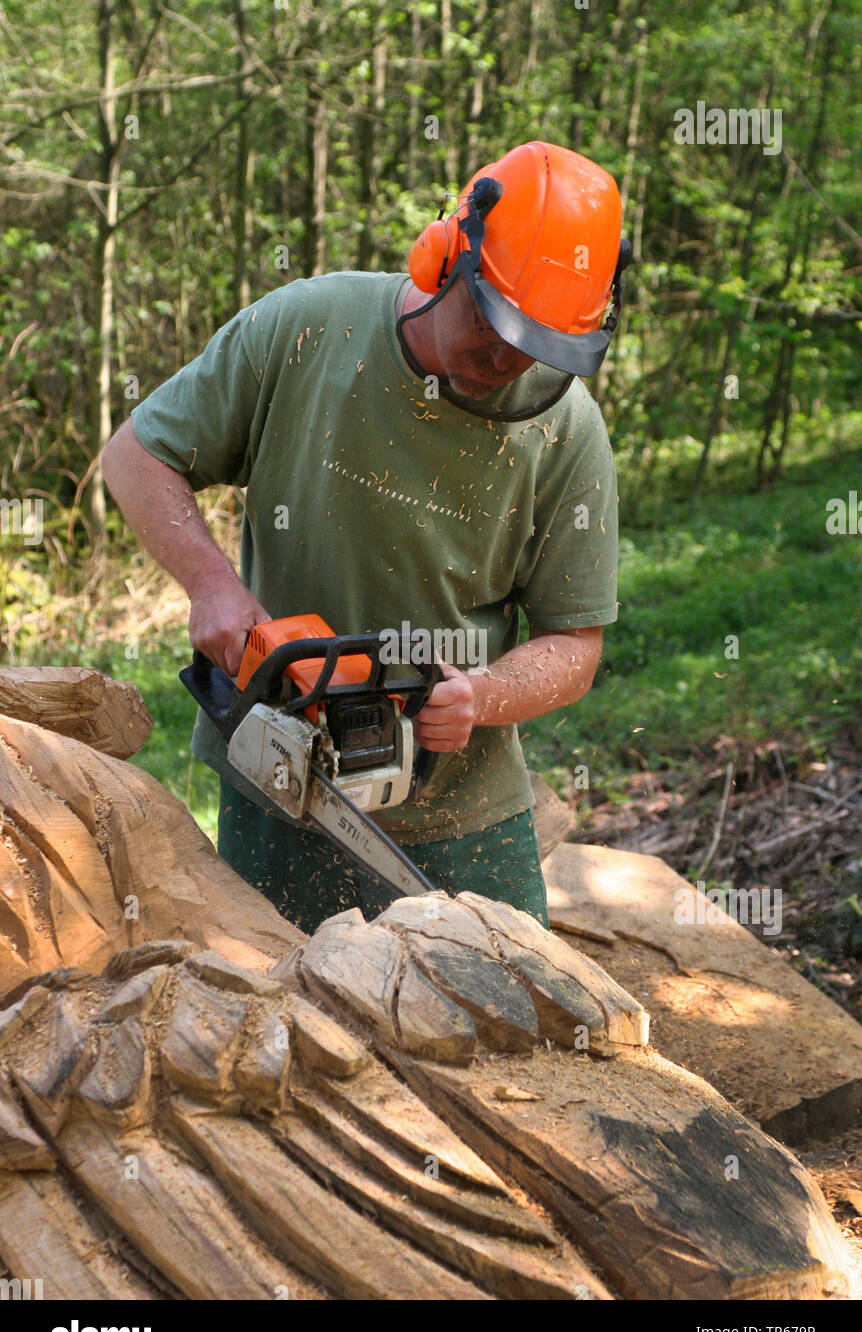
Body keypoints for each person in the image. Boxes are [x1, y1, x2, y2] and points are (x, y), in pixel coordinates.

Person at [102, 140, 629, 934]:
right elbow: (137, 455)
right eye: (493, 326)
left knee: (522, 1033)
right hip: (281, 775)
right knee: (283, 1028)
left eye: (536, 345)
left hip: (462, 807)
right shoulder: (306, 329)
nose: (506, 359)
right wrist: (212, 582)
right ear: (443, 256)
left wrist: (480, 696)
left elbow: (574, 645)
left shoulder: (567, 431)